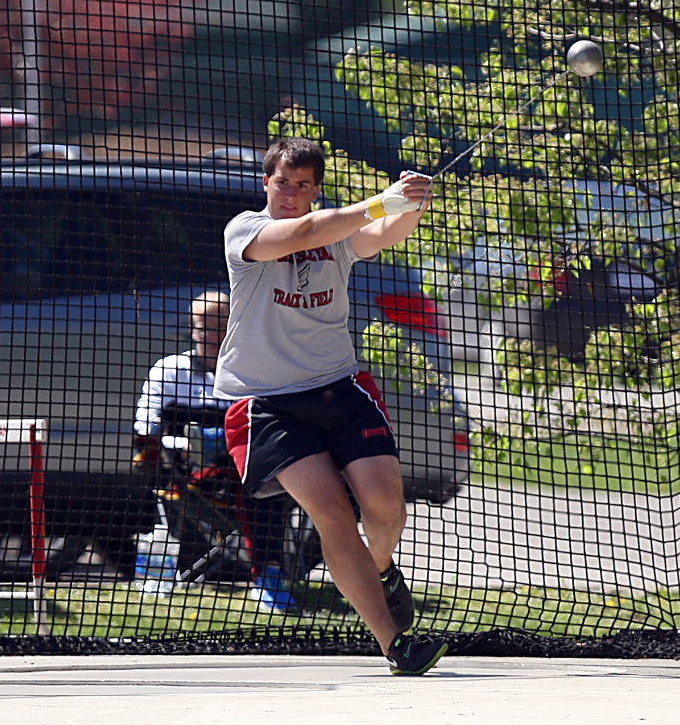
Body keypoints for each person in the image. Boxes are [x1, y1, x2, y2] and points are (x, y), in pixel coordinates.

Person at [213, 137, 448, 675]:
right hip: (266, 402)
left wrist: (411, 203)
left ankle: (382, 571)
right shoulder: (246, 230)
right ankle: (396, 646)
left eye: (303, 185)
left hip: (339, 387)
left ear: (316, 189)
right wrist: (381, 201)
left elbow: (380, 234)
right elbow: (303, 233)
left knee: (386, 506)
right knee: (334, 515)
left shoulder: (337, 230)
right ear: (265, 183)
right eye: (283, 182)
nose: (292, 193)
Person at [134, 290, 298, 612]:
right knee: (149, 463)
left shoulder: (259, 370)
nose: (212, 335)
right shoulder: (169, 371)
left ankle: (268, 575)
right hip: (186, 477)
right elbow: (145, 427)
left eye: (221, 324)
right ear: (191, 329)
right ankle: (158, 572)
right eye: (203, 326)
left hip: (247, 474)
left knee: (268, 486)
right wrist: (179, 444)